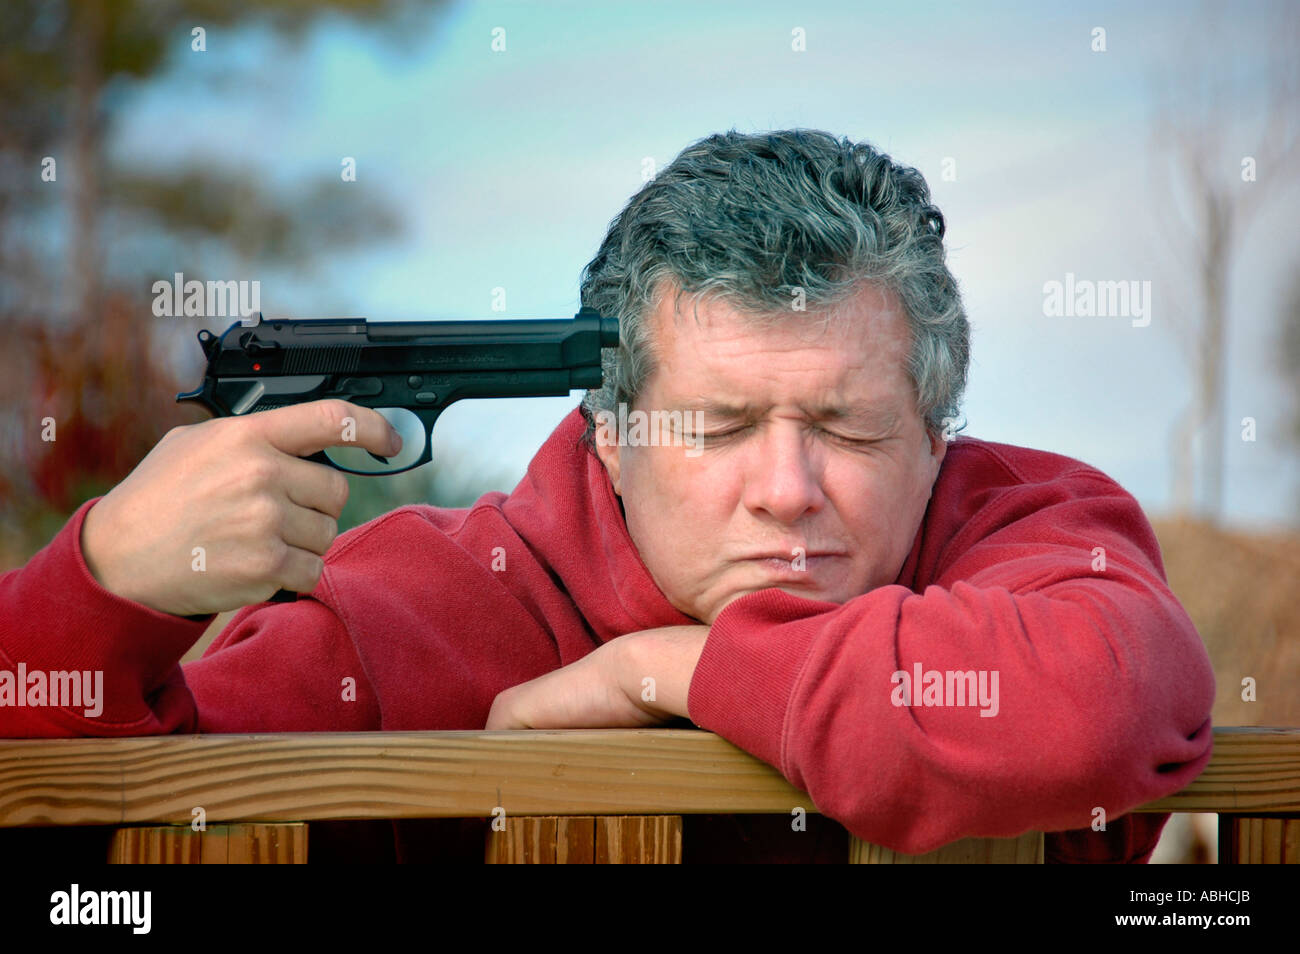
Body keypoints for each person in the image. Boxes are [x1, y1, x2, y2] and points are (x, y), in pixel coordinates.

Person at [0, 129, 1214, 863]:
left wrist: (663, 669)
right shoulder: (406, 612)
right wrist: (98, 585)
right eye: (717, 426)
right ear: (610, 431)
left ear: (936, 432)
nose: (787, 493)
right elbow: (103, 840)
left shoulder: (1019, 529)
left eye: (849, 428)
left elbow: (1100, 700)